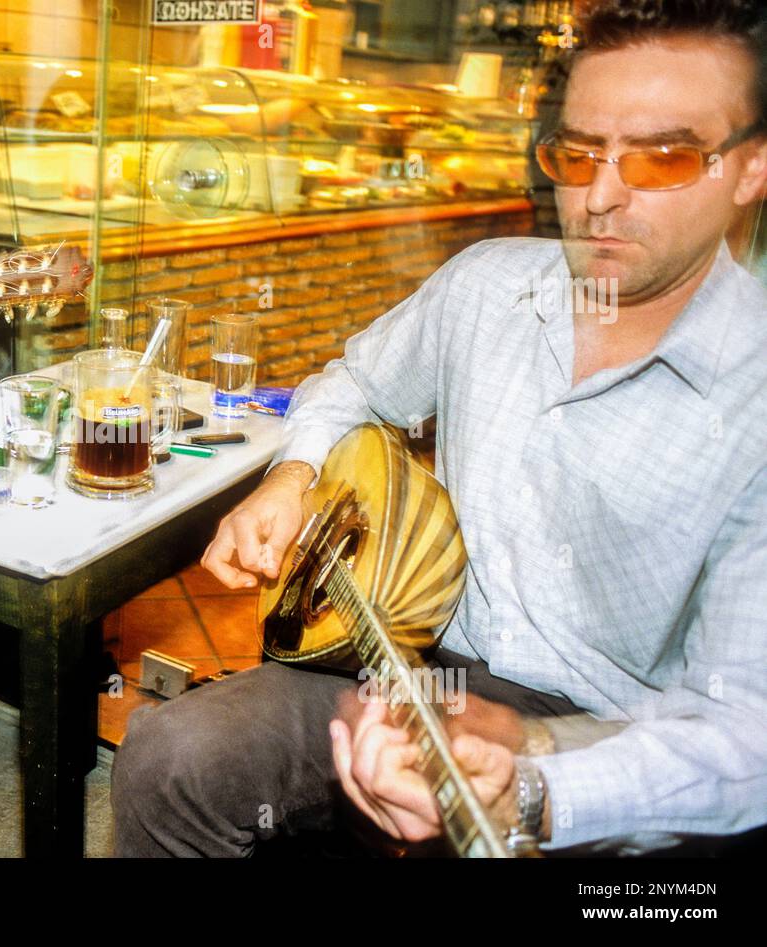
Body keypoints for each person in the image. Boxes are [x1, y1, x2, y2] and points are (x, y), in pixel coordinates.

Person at [112, 0, 767, 857]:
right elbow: (355, 381)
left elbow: (746, 736)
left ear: (750, 170)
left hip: (615, 738)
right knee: (174, 754)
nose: (601, 197)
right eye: (577, 153)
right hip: (425, 667)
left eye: (666, 157)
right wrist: (292, 474)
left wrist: (533, 781)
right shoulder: (486, 287)